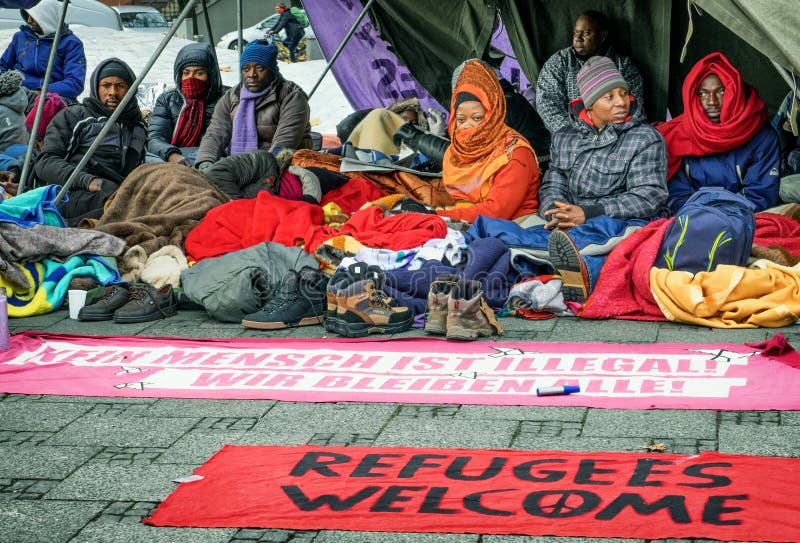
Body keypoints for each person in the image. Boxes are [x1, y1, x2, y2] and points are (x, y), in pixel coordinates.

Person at [537, 56, 668, 301]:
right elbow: (554, 181)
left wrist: (588, 212)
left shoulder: (645, 138)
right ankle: (564, 264)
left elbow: (649, 195)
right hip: (569, 221)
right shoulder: (565, 137)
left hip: (621, 221)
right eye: (609, 97)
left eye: (624, 93)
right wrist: (557, 213)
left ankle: (576, 273)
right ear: (589, 105)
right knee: (496, 231)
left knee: (613, 240)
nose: (622, 102)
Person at [657, 52, 780, 214]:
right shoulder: (679, 135)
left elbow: (760, 196)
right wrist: (702, 216)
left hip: (746, 220)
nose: (712, 101)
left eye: (721, 92)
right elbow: (676, 194)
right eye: (702, 93)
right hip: (692, 218)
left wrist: (718, 217)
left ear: (735, 92)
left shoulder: (762, 136)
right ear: (693, 97)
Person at [32, 58, 146, 225]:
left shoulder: (138, 127)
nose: (112, 92)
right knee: (123, 207)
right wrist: (89, 180)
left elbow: (139, 170)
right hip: (75, 193)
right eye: (106, 85)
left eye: (120, 86)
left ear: (130, 90)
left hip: (121, 193)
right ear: (96, 87)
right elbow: (45, 163)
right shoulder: (75, 116)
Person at [433, 59, 539, 223]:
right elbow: (455, 200)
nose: (467, 126)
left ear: (493, 114)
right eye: (461, 119)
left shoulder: (515, 153)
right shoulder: (454, 153)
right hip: (467, 224)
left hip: (515, 226)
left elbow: (496, 212)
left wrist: (437, 216)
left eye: (477, 117)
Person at [194, 40, 311, 169]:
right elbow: (215, 133)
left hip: (281, 167)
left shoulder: (291, 97)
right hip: (236, 164)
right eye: (246, 69)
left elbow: (283, 145)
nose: (252, 75)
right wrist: (205, 162)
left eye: (260, 68)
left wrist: (256, 173)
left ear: (272, 70)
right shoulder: (231, 97)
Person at [535, 10, 644, 134]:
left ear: (602, 36)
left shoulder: (623, 66)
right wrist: (575, 135)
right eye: (575, 33)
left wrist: (607, 137)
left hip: (616, 139)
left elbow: (635, 107)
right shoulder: (560, 62)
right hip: (572, 139)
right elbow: (548, 105)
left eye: (585, 33)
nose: (577, 38)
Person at [147, 42, 226, 166]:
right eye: (186, 73)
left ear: (211, 75)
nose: (191, 78)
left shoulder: (226, 97)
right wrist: (172, 155)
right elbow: (155, 137)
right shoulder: (167, 99)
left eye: (199, 73)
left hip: (211, 158)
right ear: (179, 75)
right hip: (173, 156)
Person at [0, 0, 86, 102]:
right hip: (19, 94)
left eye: (34, 17)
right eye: (27, 15)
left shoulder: (71, 43)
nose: (29, 20)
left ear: (47, 16)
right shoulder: (21, 37)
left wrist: (42, 91)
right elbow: (3, 66)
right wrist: (9, 86)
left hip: (52, 97)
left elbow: (75, 83)